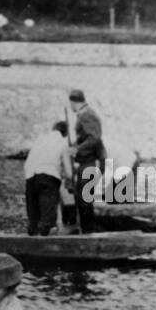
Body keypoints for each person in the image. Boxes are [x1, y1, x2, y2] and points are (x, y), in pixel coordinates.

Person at [66, 88, 106, 234]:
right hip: (85, 163)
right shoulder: (84, 114)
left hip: (90, 163)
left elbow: (94, 138)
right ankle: (85, 230)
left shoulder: (87, 115)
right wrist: (76, 145)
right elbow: (87, 137)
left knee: (84, 199)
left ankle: (88, 232)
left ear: (73, 102)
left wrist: (78, 149)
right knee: (81, 198)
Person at [22, 121, 72, 236]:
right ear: (65, 134)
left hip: (30, 176)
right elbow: (69, 173)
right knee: (47, 221)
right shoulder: (63, 143)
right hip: (48, 177)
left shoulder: (40, 140)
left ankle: (31, 240)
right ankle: (48, 242)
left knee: (33, 220)